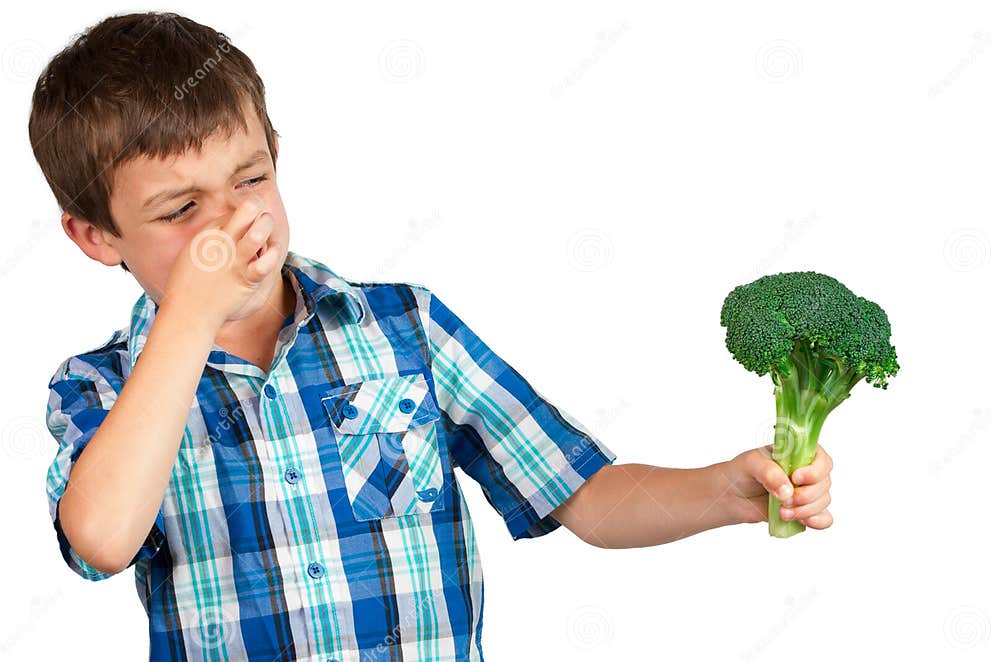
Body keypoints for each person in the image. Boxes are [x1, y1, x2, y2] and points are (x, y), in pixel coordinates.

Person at [32, 12, 833, 661]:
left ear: (277, 157)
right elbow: (102, 539)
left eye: (249, 179)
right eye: (180, 211)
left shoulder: (403, 328)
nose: (233, 222)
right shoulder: (101, 389)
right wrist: (191, 317)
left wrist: (720, 490)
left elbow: (583, 494)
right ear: (97, 238)